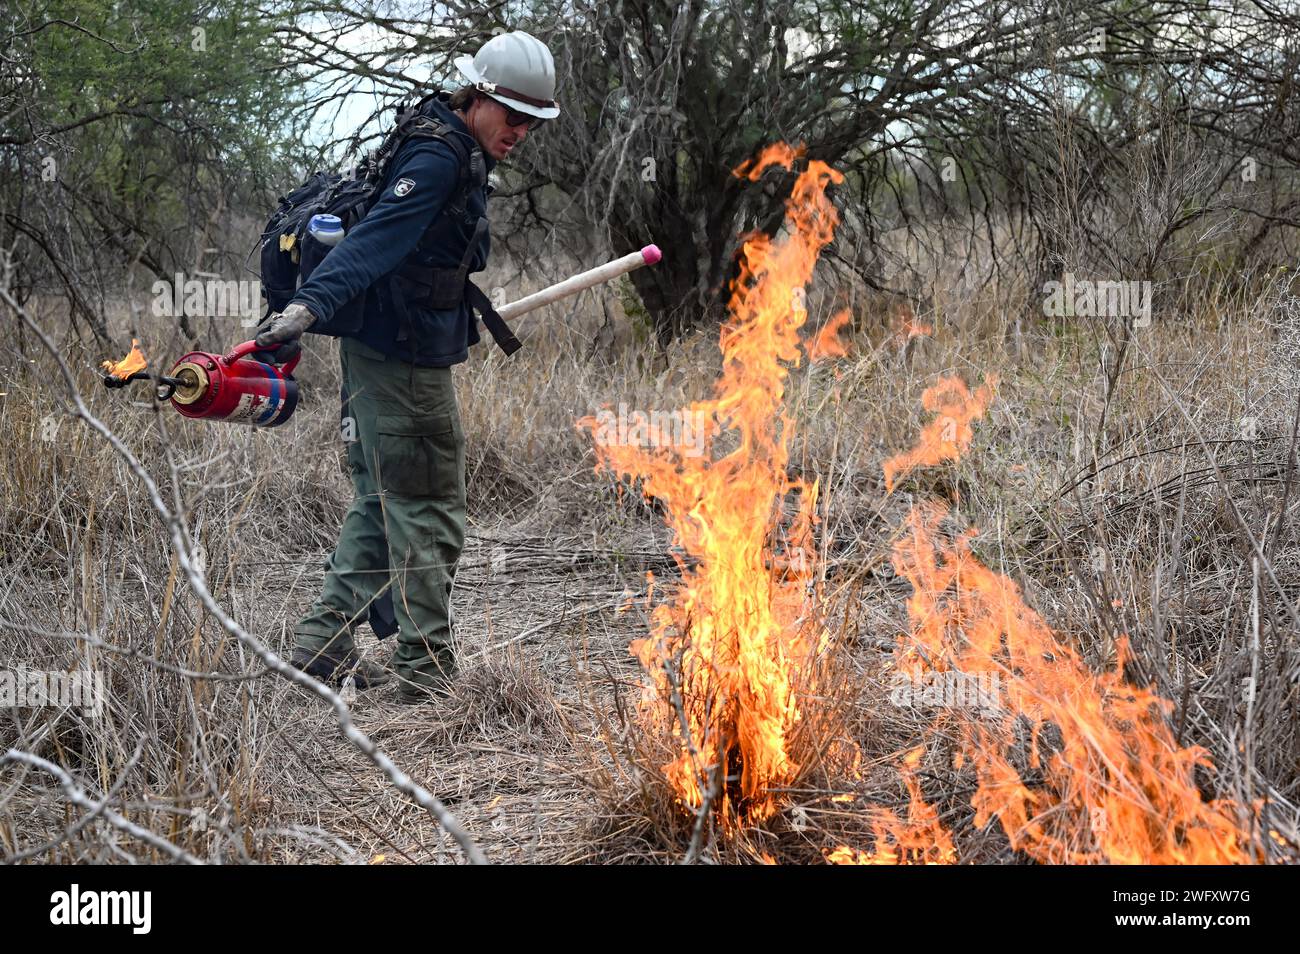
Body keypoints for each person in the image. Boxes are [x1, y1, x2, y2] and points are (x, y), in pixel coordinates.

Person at [254, 31, 560, 703]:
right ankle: (426, 671)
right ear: (478, 97)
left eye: (534, 122)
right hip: (401, 356)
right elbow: (378, 239)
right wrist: (311, 304)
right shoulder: (439, 156)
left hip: (389, 343)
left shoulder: (440, 135)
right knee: (429, 509)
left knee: (382, 499)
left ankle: (321, 648)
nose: (522, 132)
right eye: (513, 116)